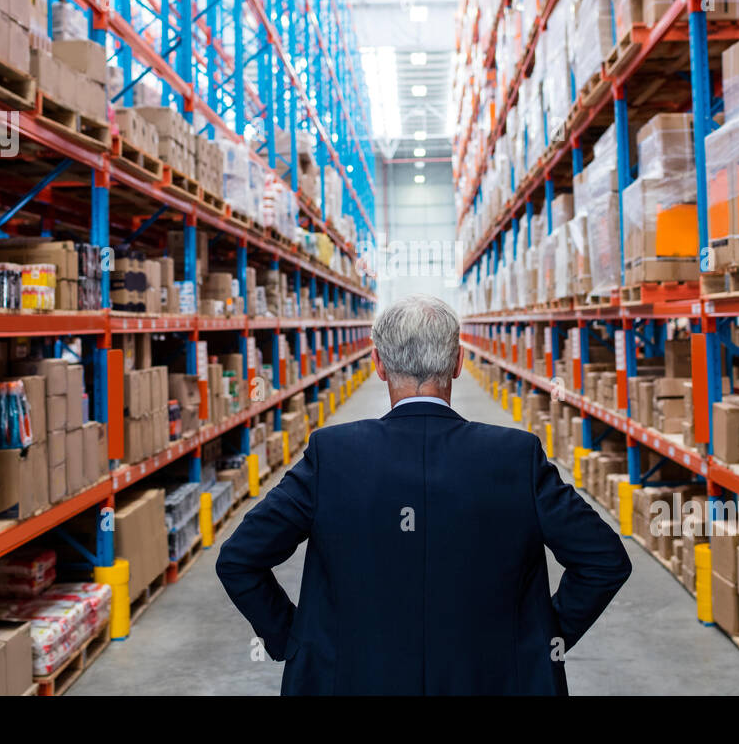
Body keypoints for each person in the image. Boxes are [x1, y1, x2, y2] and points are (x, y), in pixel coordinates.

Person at [216, 293, 631, 695]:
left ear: (377, 364)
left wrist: (296, 641)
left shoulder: (334, 455)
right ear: (458, 362)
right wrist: (540, 641)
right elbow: (604, 560)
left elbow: (240, 559)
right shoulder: (514, 456)